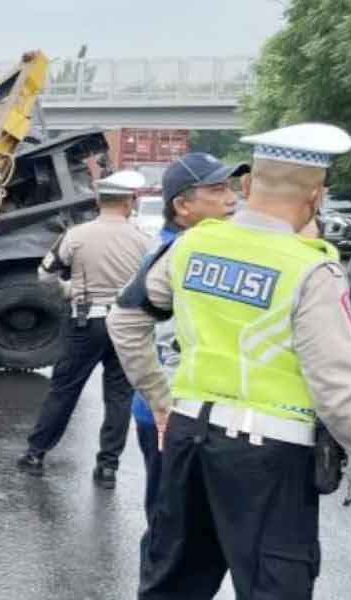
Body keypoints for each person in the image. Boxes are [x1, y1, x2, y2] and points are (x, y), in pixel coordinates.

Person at [108, 124, 351, 599]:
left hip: (187, 440)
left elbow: (126, 320)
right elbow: (336, 390)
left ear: (248, 185)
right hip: (269, 458)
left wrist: (162, 402)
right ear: (317, 196)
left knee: (171, 586)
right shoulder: (313, 270)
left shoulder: (192, 246)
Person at [123, 152, 246, 521]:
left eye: (232, 188)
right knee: (168, 521)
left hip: (201, 416)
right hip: (173, 416)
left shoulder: (206, 249)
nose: (232, 199)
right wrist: (163, 404)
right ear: (182, 205)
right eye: (217, 190)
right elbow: (133, 329)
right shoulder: (172, 256)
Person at [15, 169, 151, 488]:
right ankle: (107, 468)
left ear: (98, 201)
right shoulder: (145, 240)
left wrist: (69, 290)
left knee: (64, 390)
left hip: (86, 321)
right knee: (119, 396)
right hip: (127, 326)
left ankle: (35, 455)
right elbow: (153, 286)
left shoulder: (76, 235)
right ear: (130, 202)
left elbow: (45, 275)